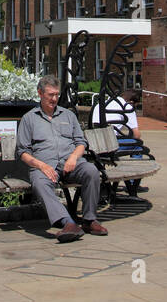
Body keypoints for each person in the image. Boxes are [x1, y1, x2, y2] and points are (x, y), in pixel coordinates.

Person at [17, 75, 106, 242]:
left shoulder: (68, 116)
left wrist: (73, 158)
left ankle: (89, 220)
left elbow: (81, 143)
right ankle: (68, 223)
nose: (54, 99)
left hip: (70, 163)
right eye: (50, 95)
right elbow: (23, 152)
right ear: (40, 93)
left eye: (57, 95)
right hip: (44, 166)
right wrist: (41, 166)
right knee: (39, 183)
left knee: (91, 171)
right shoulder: (29, 118)